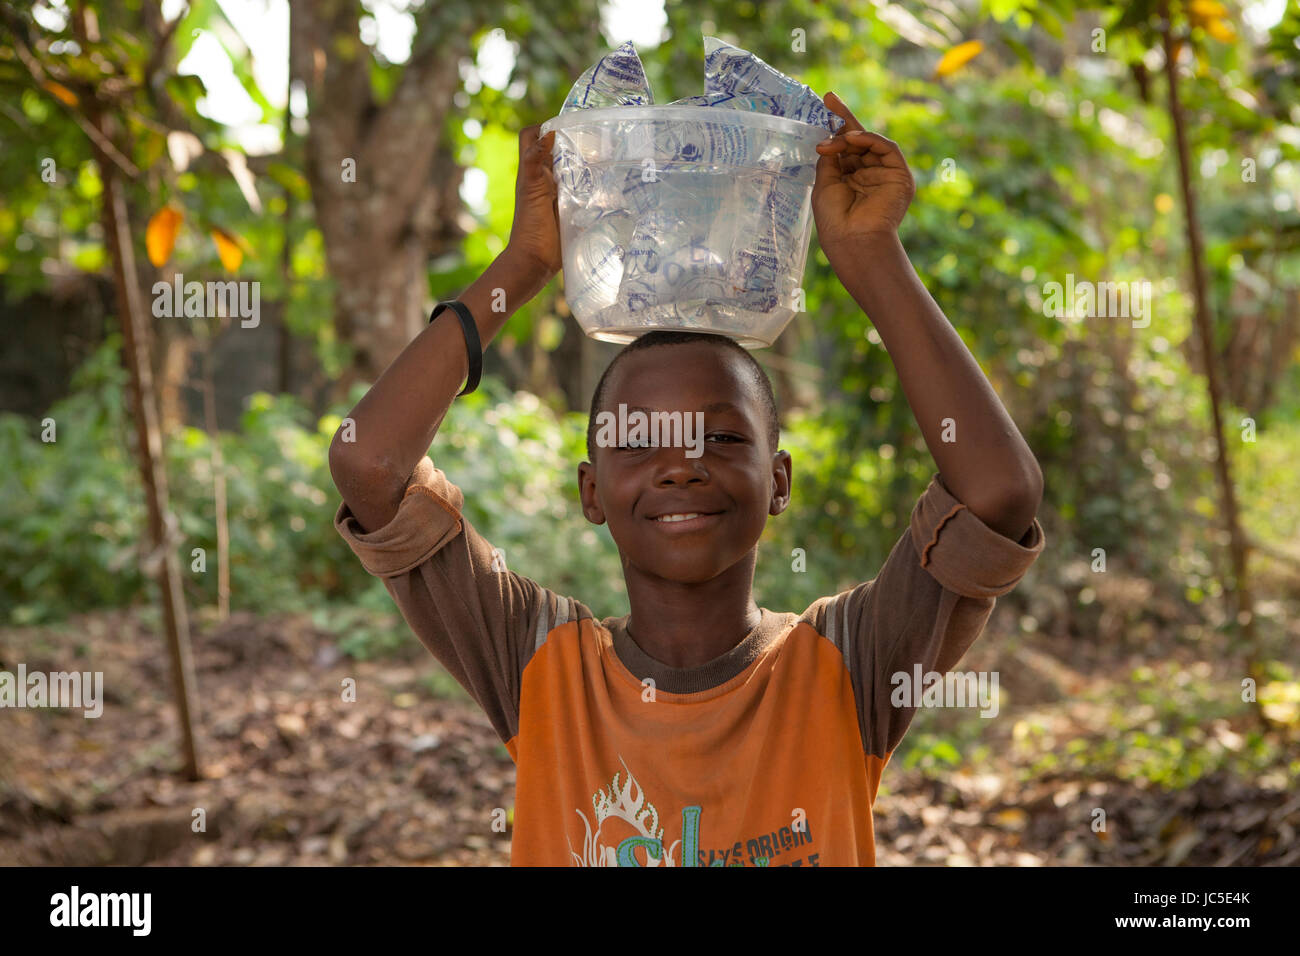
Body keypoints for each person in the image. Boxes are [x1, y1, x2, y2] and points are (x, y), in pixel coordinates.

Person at [329, 91, 1045, 866]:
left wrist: (872, 254)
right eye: (638, 438)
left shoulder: (851, 663)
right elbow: (370, 463)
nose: (680, 462)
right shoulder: (536, 665)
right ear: (591, 491)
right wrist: (524, 264)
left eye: (722, 435)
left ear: (778, 481)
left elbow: (997, 493)